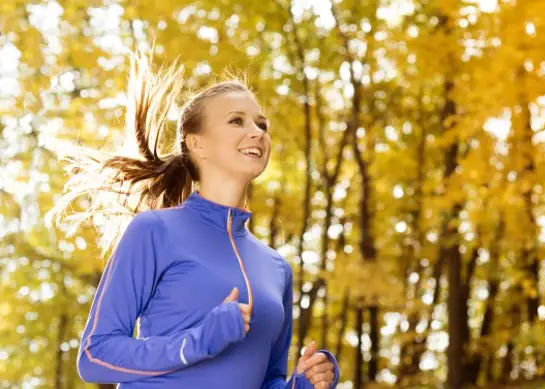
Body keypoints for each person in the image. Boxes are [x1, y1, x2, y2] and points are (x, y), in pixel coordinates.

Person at [49, 50, 339, 388]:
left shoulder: (276, 267)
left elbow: (267, 380)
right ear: (197, 144)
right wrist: (197, 341)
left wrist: (302, 383)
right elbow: (95, 357)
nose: (257, 132)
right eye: (237, 121)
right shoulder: (154, 231)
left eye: (262, 125)